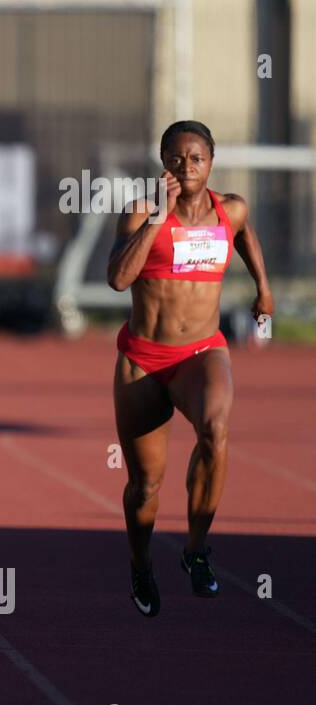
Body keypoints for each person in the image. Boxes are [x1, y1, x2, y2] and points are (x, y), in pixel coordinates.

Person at [108, 120, 274, 616]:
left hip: (201, 352)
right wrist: (159, 218)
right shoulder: (140, 211)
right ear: (163, 164)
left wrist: (262, 288)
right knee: (144, 489)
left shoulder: (232, 208)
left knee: (215, 429)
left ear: (210, 162)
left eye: (196, 159)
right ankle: (140, 564)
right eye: (176, 160)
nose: (186, 168)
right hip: (143, 359)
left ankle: (196, 549)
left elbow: (244, 236)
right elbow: (118, 279)